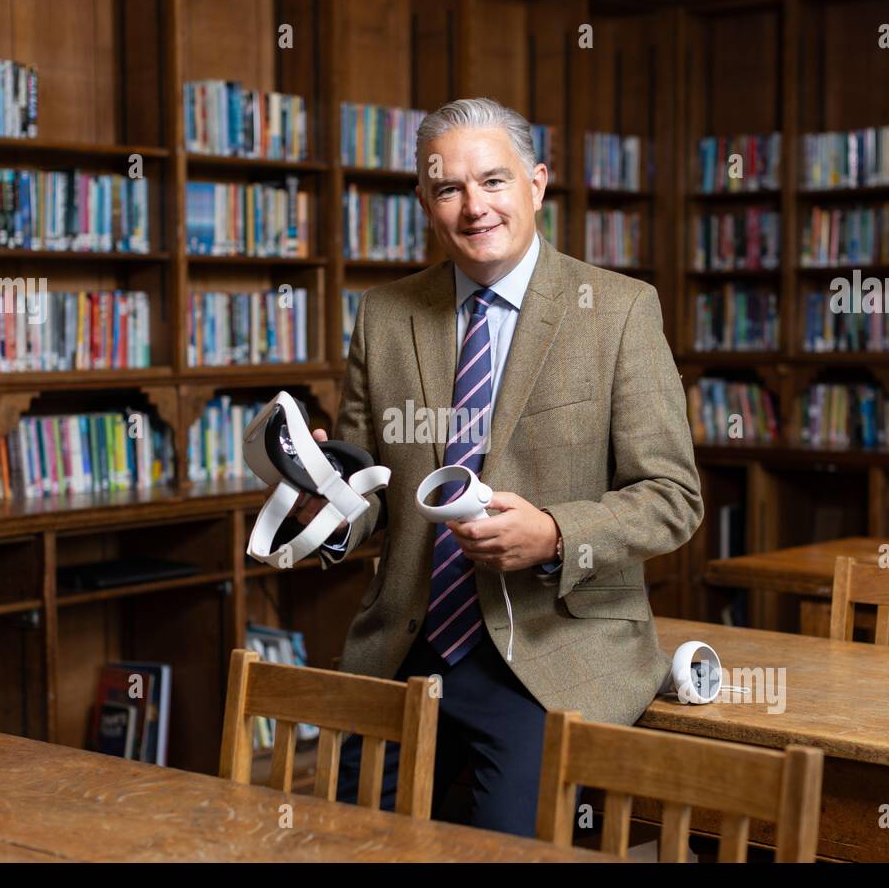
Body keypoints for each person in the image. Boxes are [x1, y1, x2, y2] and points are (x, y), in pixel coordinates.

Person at [298, 97, 702, 838]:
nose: (474, 206)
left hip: (551, 650)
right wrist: (322, 502)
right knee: (339, 839)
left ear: (537, 184)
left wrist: (555, 533)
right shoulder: (384, 314)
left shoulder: (619, 310)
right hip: (408, 644)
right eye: (448, 188)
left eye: (493, 181)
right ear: (425, 202)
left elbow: (673, 497)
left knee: (501, 848)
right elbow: (370, 491)